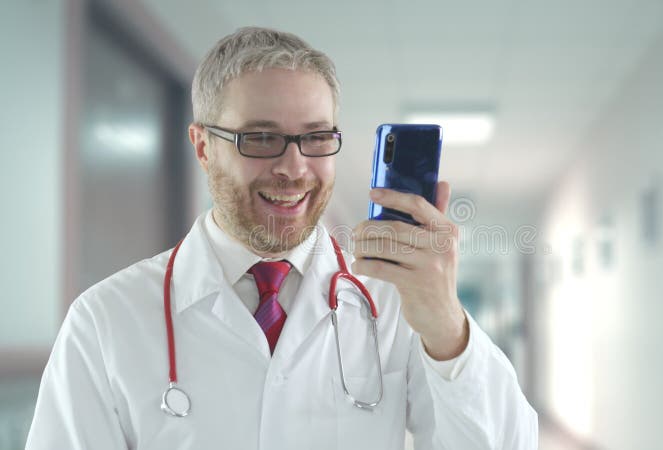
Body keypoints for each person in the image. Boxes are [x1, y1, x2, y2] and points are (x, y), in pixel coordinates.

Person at [26, 27, 538, 449]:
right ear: (203, 146)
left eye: (316, 137)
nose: (294, 168)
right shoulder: (105, 321)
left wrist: (447, 330)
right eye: (262, 138)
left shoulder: (394, 301)